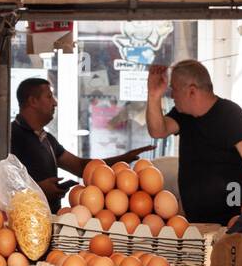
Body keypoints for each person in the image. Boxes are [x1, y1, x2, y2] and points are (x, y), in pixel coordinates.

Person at [146, 59, 242, 224]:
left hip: (233, 220)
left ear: (191, 91)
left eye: (174, 89)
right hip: (197, 222)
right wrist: (153, 96)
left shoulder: (230, 113)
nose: (172, 95)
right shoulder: (183, 115)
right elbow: (157, 130)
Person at [10, 77, 145, 211]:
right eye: (49, 97)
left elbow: (80, 167)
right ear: (33, 101)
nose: (55, 103)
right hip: (25, 220)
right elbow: (1, 182)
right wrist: (38, 189)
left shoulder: (46, 139)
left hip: (49, 218)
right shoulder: (11, 136)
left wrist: (123, 159)